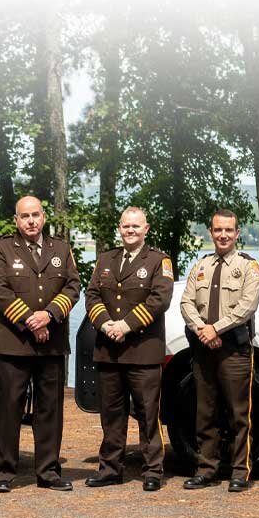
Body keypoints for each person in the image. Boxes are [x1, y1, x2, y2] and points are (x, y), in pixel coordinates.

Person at [0, 195, 82, 493]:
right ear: (16, 220)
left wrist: (49, 316)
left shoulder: (61, 248)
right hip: (15, 342)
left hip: (51, 343)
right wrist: (30, 320)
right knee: (9, 409)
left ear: (44, 217)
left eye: (36, 215)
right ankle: (3, 472)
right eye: (25, 216)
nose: (31, 221)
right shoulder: (1, 249)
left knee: (50, 409)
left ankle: (49, 472)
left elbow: (73, 286)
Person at [83, 207, 174, 492]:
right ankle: (110, 468)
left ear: (146, 229)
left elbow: (160, 300)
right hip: (109, 349)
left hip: (143, 350)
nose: (130, 231)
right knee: (111, 414)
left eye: (136, 226)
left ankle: (152, 470)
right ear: (119, 228)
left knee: (148, 414)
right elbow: (92, 295)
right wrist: (106, 323)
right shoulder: (106, 259)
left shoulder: (160, 261)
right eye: (126, 226)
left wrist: (126, 326)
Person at [177, 209, 259, 493]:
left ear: (237, 233)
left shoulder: (249, 267)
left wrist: (217, 329)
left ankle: (240, 471)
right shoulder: (200, 266)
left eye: (229, 230)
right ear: (211, 233)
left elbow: (247, 307)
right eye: (218, 230)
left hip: (234, 350)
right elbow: (186, 303)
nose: (223, 235)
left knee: (239, 414)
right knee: (205, 412)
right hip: (203, 348)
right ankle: (207, 469)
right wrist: (202, 328)